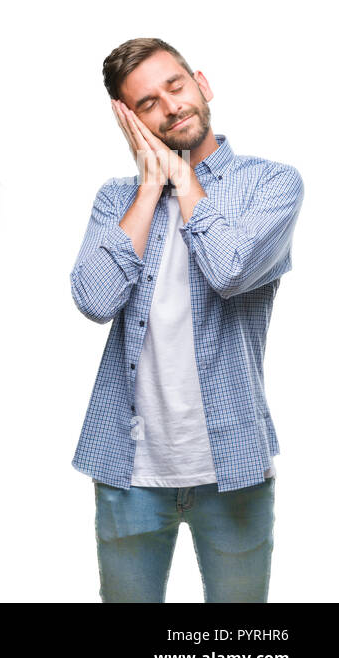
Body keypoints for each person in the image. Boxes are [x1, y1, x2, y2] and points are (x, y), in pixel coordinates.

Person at [70, 38, 303, 602]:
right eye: (147, 103)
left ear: (201, 83)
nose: (171, 106)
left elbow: (228, 270)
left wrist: (183, 178)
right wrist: (151, 184)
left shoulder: (271, 184)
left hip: (235, 467)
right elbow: (94, 300)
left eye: (175, 86)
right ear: (129, 121)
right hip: (128, 470)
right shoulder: (117, 201)